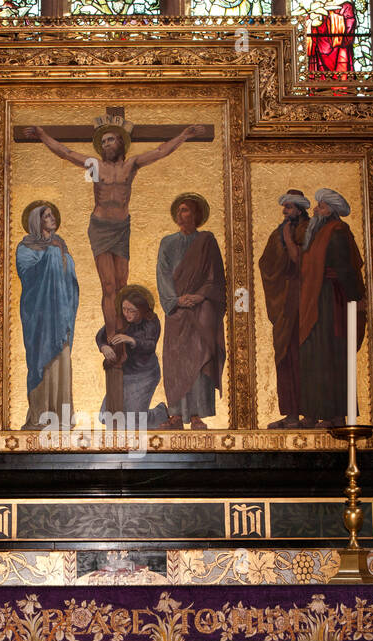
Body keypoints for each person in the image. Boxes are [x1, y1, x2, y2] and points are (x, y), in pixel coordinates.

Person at [24, 116, 205, 412]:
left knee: (122, 289)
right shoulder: (95, 166)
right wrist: (43, 135)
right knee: (109, 286)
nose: (107, 144)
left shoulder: (130, 165)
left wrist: (184, 133)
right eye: (104, 140)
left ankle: (124, 334)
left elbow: (160, 152)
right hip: (100, 227)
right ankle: (113, 341)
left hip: (122, 228)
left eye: (112, 140)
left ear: (121, 143)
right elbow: (67, 153)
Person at [290, 187, 365, 426]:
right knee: (313, 355)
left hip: (331, 301)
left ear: (330, 210)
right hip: (316, 299)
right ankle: (312, 413)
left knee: (332, 354)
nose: (315, 209)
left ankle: (335, 415)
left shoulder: (338, 231)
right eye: (317, 206)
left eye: (320, 206)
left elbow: (345, 269)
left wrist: (356, 297)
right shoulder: (319, 230)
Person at [157, 193, 226, 429]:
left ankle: (197, 414)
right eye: (178, 210)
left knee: (198, 356)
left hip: (200, 309)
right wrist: (175, 300)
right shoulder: (168, 243)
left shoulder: (207, 241)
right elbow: (163, 274)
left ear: (196, 215)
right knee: (175, 359)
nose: (180, 214)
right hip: (177, 310)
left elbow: (216, 277)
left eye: (185, 210)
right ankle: (176, 413)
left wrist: (201, 295)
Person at [16, 201, 79, 429]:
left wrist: (57, 252)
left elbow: (70, 281)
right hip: (39, 316)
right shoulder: (26, 248)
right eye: (46, 216)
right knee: (40, 362)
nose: (52, 219)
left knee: (61, 360)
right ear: (36, 221)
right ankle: (40, 416)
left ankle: (61, 417)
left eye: (53, 215)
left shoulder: (60, 245)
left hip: (61, 315)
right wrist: (50, 253)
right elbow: (27, 276)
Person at [258, 188, 312, 428]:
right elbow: (265, 263)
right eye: (284, 207)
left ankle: (311, 412)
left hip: (304, 300)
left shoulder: (310, 229)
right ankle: (290, 413)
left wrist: (289, 242)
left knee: (305, 356)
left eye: (289, 207)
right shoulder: (280, 231)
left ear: (299, 209)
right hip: (284, 301)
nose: (284, 211)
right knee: (285, 355)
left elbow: (304, 261)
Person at [96, 285, 168, 428]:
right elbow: (101, 335)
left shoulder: (151, 321)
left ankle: (161, 413)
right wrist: (103, 347)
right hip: (126, 374)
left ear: (140, 310)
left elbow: (150, 345)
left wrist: (131, 340)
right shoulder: (121, 319)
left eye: (132, 311)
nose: (127, 314)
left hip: (145, 375)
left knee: (134, 421)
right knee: (106, 416)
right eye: (124, 309)